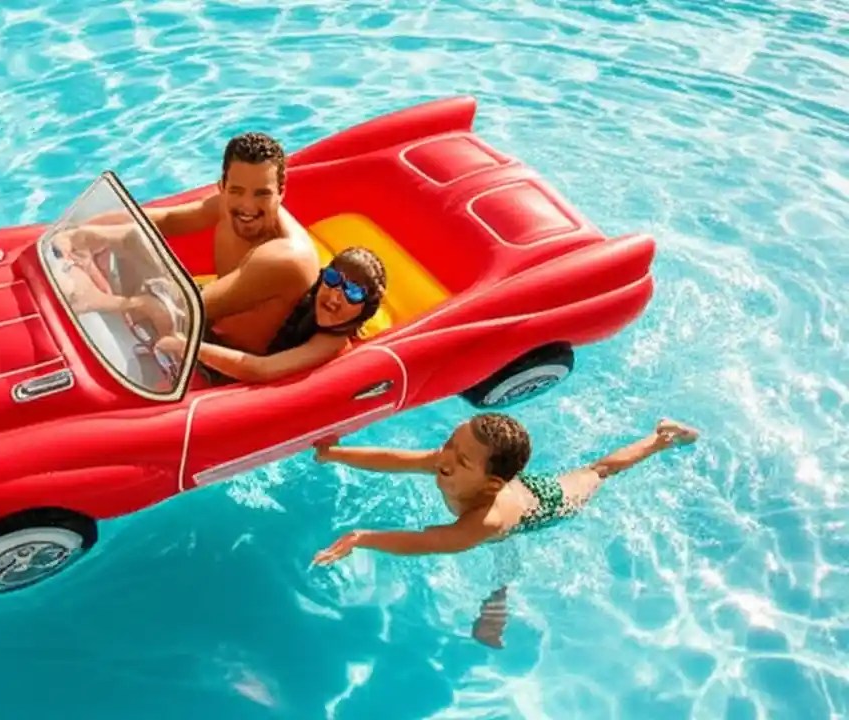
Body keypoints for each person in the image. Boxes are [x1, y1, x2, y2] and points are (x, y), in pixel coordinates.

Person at [310, 413, 701, 648]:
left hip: (548, 505)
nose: (442, 457)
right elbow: (396, 460)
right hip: (514, 490)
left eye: (459, 458)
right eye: (449, 443)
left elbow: (432, 542)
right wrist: (335, 454)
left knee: (598, 471)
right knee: (504, 550)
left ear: (490, 483)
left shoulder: (485, 520)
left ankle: (663, 437)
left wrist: (363, 538)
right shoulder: (450, 462)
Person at [63, 131, 322, 354]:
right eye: (236, 191)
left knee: (132, 246)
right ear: (222, 187)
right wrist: (84, 230)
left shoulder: (284, 257)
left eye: (262, 194)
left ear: (281, 192)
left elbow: (186, 310)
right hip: (203, 325)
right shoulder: (225, 205)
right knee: (134, 239)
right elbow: (167, 219)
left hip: (226, 365)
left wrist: (98, 301)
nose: (247, 205)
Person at [154, 246, 387, 384]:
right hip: (218, 335)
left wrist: (188, 346)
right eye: (333, 279)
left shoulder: (332, 341)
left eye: (354, 293)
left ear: (366, 308)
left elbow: (261, 369)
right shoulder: (303, 290)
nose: (335, 297)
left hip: (227, 367)